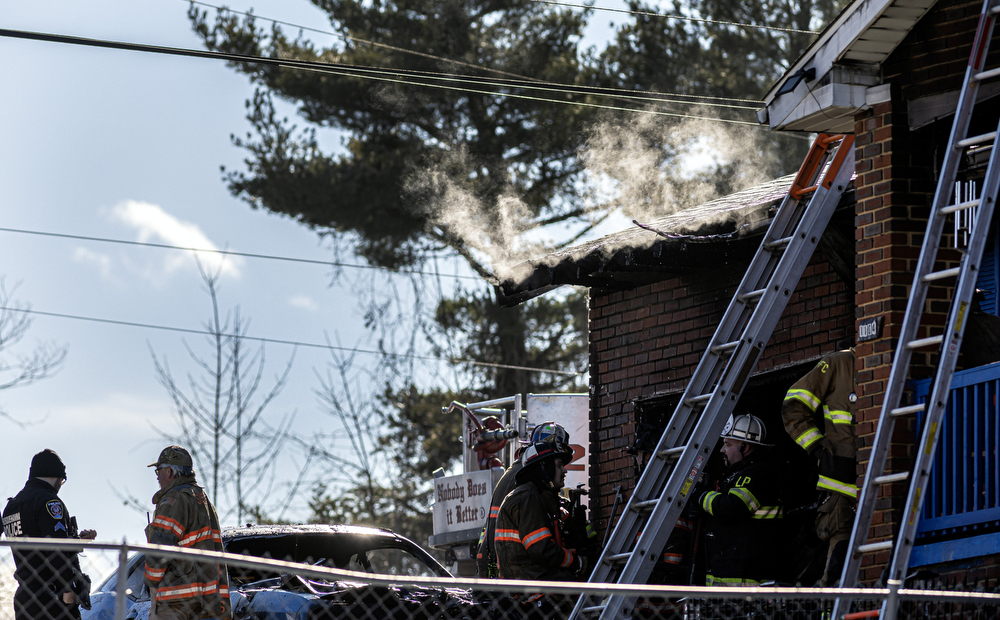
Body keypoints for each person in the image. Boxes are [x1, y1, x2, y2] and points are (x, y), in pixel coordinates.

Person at [781, 349, 857, 586]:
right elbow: (794, 406)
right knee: (839, 559)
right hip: (841, 481)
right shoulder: (839, 364)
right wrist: (817, 449)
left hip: (882, 479)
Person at [2, 449, 97, 620]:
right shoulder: (49, 501)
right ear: (57, 476)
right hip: (52, 598)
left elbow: (36, 541)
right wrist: (68, 589)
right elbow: (55, 550)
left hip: (25, 597)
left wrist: (76, 540)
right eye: (62, 480)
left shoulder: (12, 506)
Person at [494, 441, 586, 616]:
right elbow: (541, 549)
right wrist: (578, 563)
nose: (565, 471)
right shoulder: (527, 497)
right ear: (544, 468)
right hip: (532, 587)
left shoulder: (535, 497)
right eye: (559, 466)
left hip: (532, 583)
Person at [144, 445, 232, 620]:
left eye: (158, 470)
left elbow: (160, 547)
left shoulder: (174, 500)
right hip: (209, 600)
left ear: (168, 471)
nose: (157, 476)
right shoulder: (203, 500)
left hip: (176, 600)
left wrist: (150, 582)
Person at [476, 422, 570, 578]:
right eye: (558, 461)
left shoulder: (518, 469)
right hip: (506, 567)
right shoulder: (530, 477)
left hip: (494, 561)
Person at [697, 414, 783, 586]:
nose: (722, 450)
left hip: (746, 579)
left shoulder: (758, 473)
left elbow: (732, 508)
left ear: (745, 447)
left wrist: (700, 496)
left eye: (728, 445)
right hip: (726, 573)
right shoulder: (736, 476)